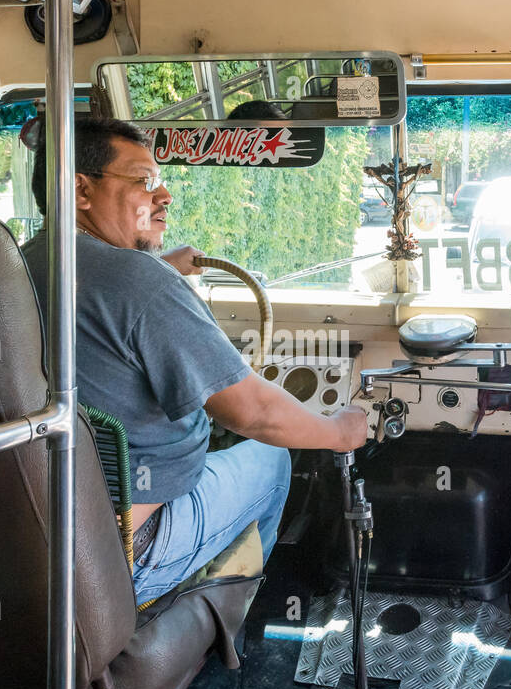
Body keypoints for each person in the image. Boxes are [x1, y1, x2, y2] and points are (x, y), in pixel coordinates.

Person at [21, 116, 367, 604]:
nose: (163, 197)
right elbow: (257, 414)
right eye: (145, 182)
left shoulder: (22, 263)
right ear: (80, 190)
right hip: (125, 551)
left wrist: (158, 269)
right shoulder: (140, 282)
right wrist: (339, 432)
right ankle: (216, 617)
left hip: (37, 540)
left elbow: (95, 308)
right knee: (271, 460)